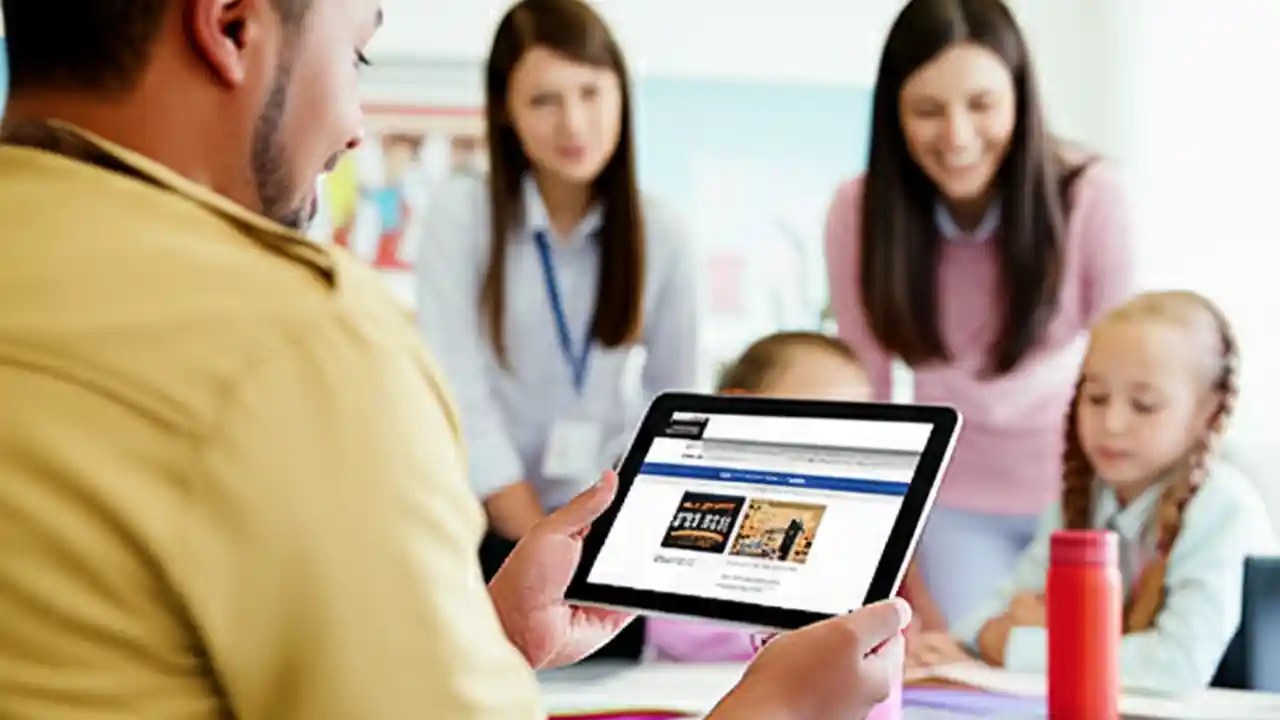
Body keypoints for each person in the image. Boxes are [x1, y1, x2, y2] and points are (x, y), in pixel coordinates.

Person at [0, 1, 910, 718]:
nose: (357, 126)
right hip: (493, 513)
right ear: (231, 27)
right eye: (355, 56)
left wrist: (487, 638)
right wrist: (777, 711)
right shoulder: (299, 338)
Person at [824, 0, 1135, 634]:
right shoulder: (859, 212)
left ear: (1021, 98)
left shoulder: (1092, 196)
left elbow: (1128, 375)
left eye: (982, 104)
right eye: (928, 111)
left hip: (1080, 501)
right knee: (964, 680)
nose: (958, 137)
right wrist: (897, 573)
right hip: (953, 507)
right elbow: (869, 405)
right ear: (894, 114)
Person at [415, 0, 700, 584]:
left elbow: (675, 397)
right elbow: (455, 384)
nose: (573, 124)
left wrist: (614, 522)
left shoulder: (661, 231)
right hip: (485, 522)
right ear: (505, 113)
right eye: (544, 100)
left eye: (591, 93)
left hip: (606, 524)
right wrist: (532, 533)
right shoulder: (463, 212)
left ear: (622, 93)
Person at [908, 291, 1277, 693]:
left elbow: (1176, 666)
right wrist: (955, 646)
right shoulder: (1082, 500)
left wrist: (1011, 644)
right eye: (1096, 397)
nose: (1113, 422)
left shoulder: (1224, 508)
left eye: (1144, 405)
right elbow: (1008, 600)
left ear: (1207, 410)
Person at [645, 331, 871, 663]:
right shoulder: (690, 499)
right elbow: (675, 630)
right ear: (740, 408)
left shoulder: (836, 516)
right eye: (823, 416)